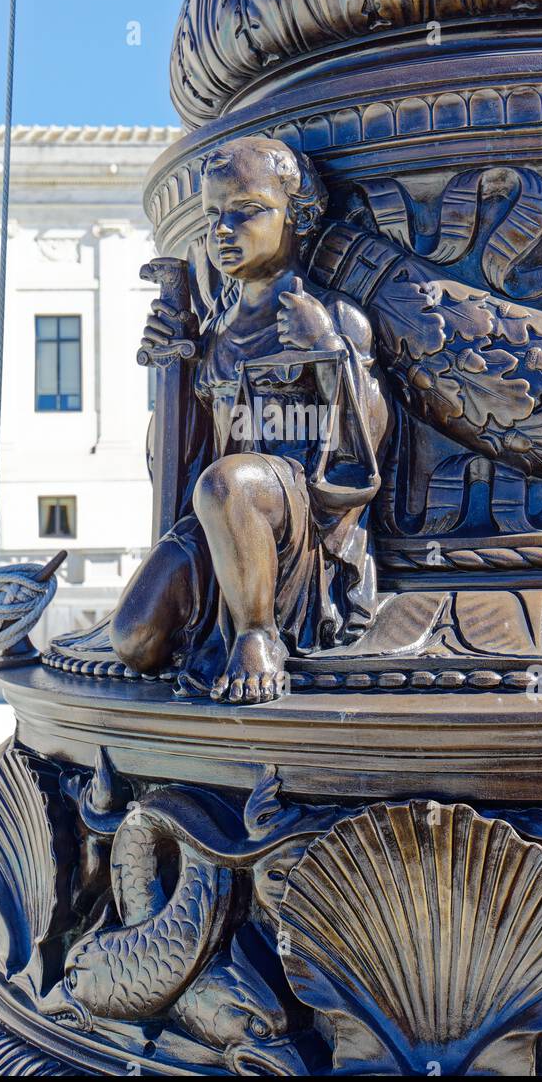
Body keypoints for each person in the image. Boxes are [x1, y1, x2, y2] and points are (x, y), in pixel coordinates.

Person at [110, 136, 391, 703]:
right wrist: (175, 371)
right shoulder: (214, 333)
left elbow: (365, 447)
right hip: (220, 510)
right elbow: (190, 459)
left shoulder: (334, 318)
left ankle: (257, 635)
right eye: (214, 214)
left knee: (229, 482)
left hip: (298, 511)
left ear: (298, 216)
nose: (223, 230)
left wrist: (328, 352)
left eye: (249, 210)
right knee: (135, 639)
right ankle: (225, 604)